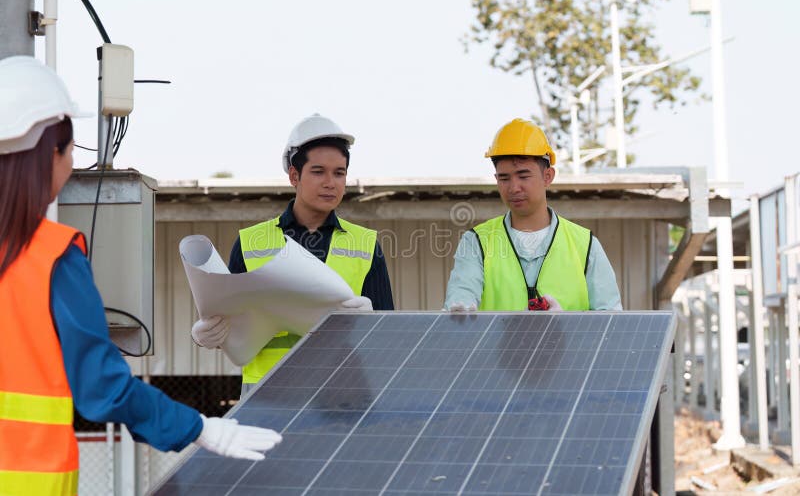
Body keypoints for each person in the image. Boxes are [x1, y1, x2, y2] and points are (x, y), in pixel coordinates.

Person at [0, 56, 282, 495]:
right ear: (45, 154)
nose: (73, 162)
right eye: (70, 149)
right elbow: (103, 388)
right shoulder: (50, 257)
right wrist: (201, 429)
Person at [192, 113, 394, 394]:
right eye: (318, 171)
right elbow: (228, 322)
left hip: (343, 393)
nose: (330, 182)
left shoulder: (366, 243)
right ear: (294, 175)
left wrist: (372, 323)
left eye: (339, 173)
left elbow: (389, 335)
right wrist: (206, 335)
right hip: (268, 395)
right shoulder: (250, 242)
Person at [444, 118, 622, 312]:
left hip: (568, 344)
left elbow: (610, 324)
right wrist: (459, 318)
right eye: (504, 178)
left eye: (523, 176)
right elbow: (461, 297)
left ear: (548, 176)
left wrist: (569, 328)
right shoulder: (477, 242)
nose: (513, 187)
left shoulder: (585, 245)